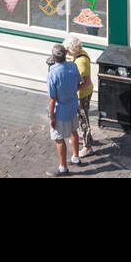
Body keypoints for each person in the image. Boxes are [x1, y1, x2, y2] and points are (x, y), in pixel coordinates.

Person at [46, 43, 82, 176]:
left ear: (53, 57)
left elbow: (52, 99)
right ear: (66, 54)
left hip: (60, 110)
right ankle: (76, 158)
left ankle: (63, 168)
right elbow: (79, 84)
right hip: (73, 106)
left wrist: (51, 116)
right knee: (74, 131)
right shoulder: (73, 66)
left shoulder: (52, 73)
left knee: (59, 139)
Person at [64, 36, 94, 158]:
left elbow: (86, 82)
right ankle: (84, 136)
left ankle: (88, 147)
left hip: (83, 95)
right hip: (82, 93)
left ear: (73, 49)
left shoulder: (81, 61)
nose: (66, 52)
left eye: (67, 49)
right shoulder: (79, 54)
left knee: (83, 119)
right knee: (81, 117)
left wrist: (73, 90)